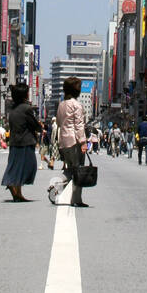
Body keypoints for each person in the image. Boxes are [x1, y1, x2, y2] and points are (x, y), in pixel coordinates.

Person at [1, 83, 41, 202]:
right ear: (24, 95)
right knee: (29, 166)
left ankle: (18, 193)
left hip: (14, 142)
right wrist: (39, 128)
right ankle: (12, 184)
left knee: (16, 166)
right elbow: (34, 124)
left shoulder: (12, 109)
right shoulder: (26, 108)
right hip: (25, 141)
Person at [56, 75, 89, 208]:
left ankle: (57, 184)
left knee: (70, 169)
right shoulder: (77, 105)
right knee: (78, 170)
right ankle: (76, 199)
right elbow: (79, 125)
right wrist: (83, 142)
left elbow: (58, 122)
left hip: (64, 141)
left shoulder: (61, 105)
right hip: (74, 141)